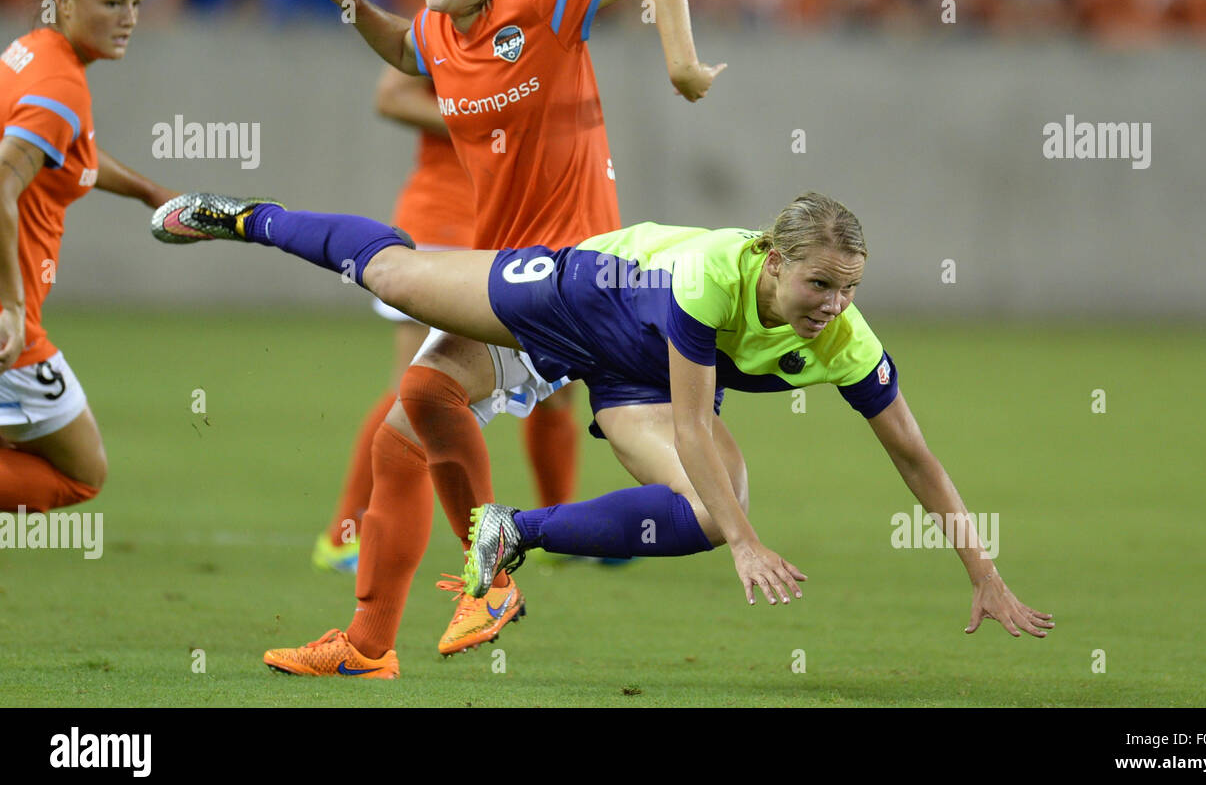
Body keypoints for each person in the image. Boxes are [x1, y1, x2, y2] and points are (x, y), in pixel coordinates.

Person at [152, 190, 1054, 677]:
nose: (835, 306)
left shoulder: (845, 339)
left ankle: (511, 535)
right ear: (774, 263)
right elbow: (695, 423)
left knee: (707, 511)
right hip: (579, 297)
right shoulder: (711, 277)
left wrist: (985, 573)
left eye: (850, 288)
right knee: (394, 273)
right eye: (820, 284)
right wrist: (749, 544)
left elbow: (913, 454)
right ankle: (244, 218)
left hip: (636, 374)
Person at [243, 0, 722, 665]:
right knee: (411, 419)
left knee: (424, 397)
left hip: (575, 278)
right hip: (515, 277)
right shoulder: (437, 29)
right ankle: (390, 630)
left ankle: (485, 577)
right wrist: (354, 5)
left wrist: (683, 62)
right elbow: (406, 52)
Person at [312, 0, 586, 579]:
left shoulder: (545, 11)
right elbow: (391, 88)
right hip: (443, 219)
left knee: (557, 383)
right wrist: (488, 116)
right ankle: (352, 534)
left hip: (519, 233)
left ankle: (562, 528)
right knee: (422, 386)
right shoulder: (454, 12)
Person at [0, 0, 179, 514]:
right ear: (65, 1)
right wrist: (13, 306)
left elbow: (71, 158)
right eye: (112, 3)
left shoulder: (31, 53)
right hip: (9, 328)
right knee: (81, 474)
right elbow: (3, 181)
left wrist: (151, 193)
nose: (128, 18)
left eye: (135, 3)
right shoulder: (61, 87)